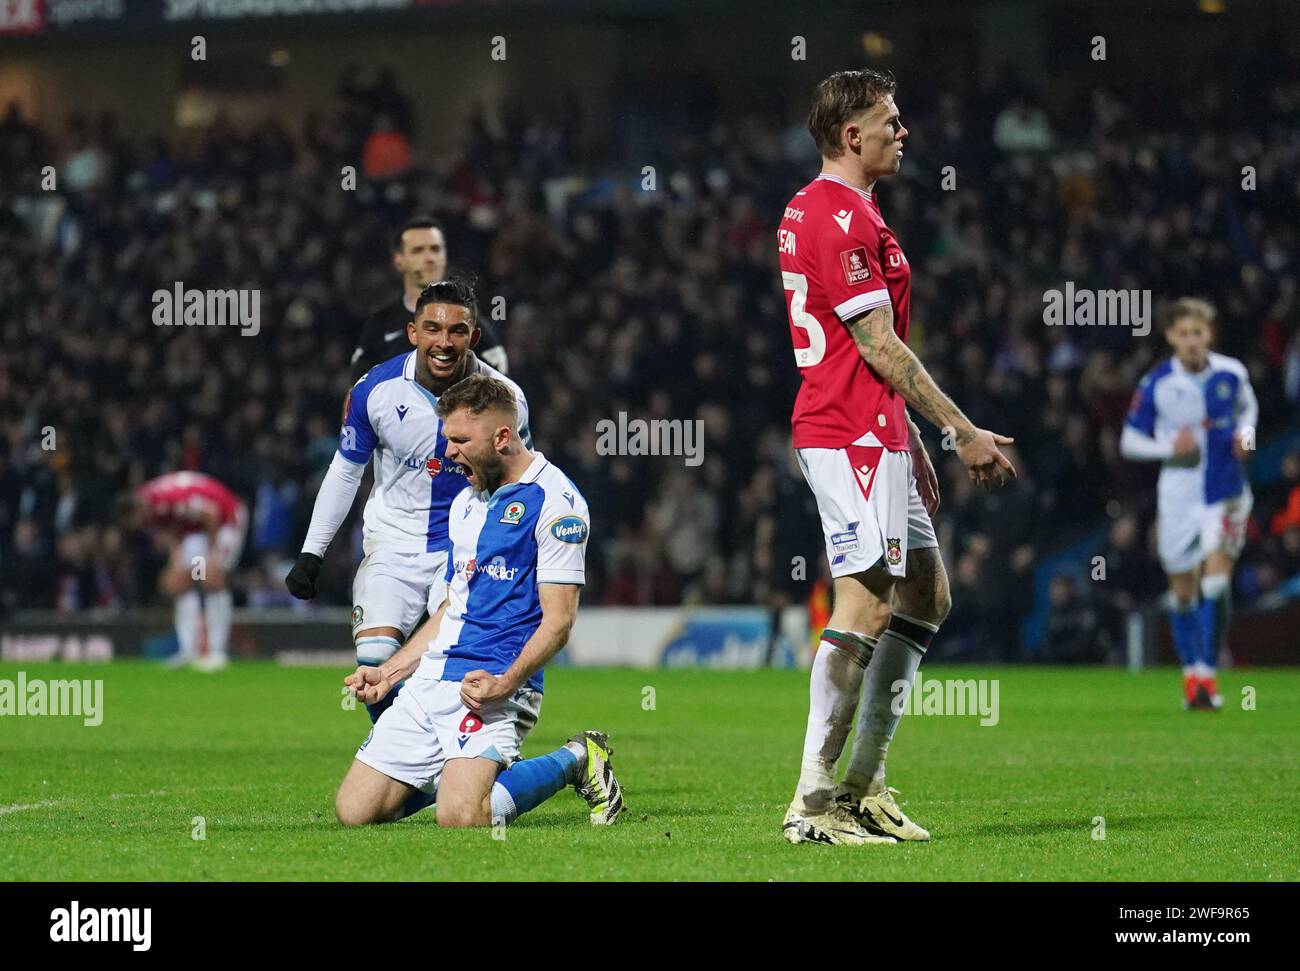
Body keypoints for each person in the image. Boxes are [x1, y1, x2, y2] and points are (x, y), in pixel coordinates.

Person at [776, 69, 1016, 845]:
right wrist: (960, 429)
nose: (903, 133)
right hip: (845, 432)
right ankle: (811, 804)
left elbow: (862, 347)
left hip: (872, 428)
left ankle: (862, 785)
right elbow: (877, 343)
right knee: (867, 605)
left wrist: (906, 431)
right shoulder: (841, 217)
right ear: (853, 135)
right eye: (892, 121)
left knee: (925, 594)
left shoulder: (829, 208)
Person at [334, 374, 625, 828]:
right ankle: (457, 774)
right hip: (434, 678)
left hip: (492, 684)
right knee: (354, 812)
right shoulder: (466, 502)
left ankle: (575, 758)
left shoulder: (558, 504)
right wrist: (389, 674)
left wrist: (506, 683)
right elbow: (454, 604)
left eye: (459, 440)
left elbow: (559, 622)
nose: (448, 453)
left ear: (503, 437)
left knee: (462, 817)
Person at [286, 277, 529, 722]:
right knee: (377, 662)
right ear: (413, 332)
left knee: (452, 667)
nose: (444, 342)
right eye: (432, 329)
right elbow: (345, 470)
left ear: (473, 337)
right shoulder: (376, 390)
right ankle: (394, 770)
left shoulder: (504, 399)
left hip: (464, 550)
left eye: (457, 331)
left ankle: (443, 769)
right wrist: (311, 552)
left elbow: (520, 480)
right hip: (393, 543)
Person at [1120, 297, 1258, 710]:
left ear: (1208, 334)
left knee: (1215, 581)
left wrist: (1247, 437)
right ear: (1171, 337)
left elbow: (1247, 409)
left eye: (1199, 333)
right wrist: (1167, 446)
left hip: (1226, 490)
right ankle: (1191, 676)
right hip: (1179, 494)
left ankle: (1208, 678)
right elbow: (1129, 440)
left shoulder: (1232, 373)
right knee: (1182, 591)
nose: (1192, 341)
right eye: (1184, 334)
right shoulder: (1158, 383)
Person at [350, 216, 508, 381]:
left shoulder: (472, 325)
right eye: (418, 250)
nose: (429, 258)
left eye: (435, 249)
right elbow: (355, 393)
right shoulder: (380, 324)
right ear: (399, 261)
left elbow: (502, 393)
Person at [129, 471, 247, 671]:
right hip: (196, 530)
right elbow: (175, 529)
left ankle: (217, 652)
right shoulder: (146, 505)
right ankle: (188, 650)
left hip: (226, 518)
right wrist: (176, 562)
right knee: (180, 584)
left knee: (211, 580)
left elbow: (211, 514)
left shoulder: (167, 501)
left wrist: (210, 555)